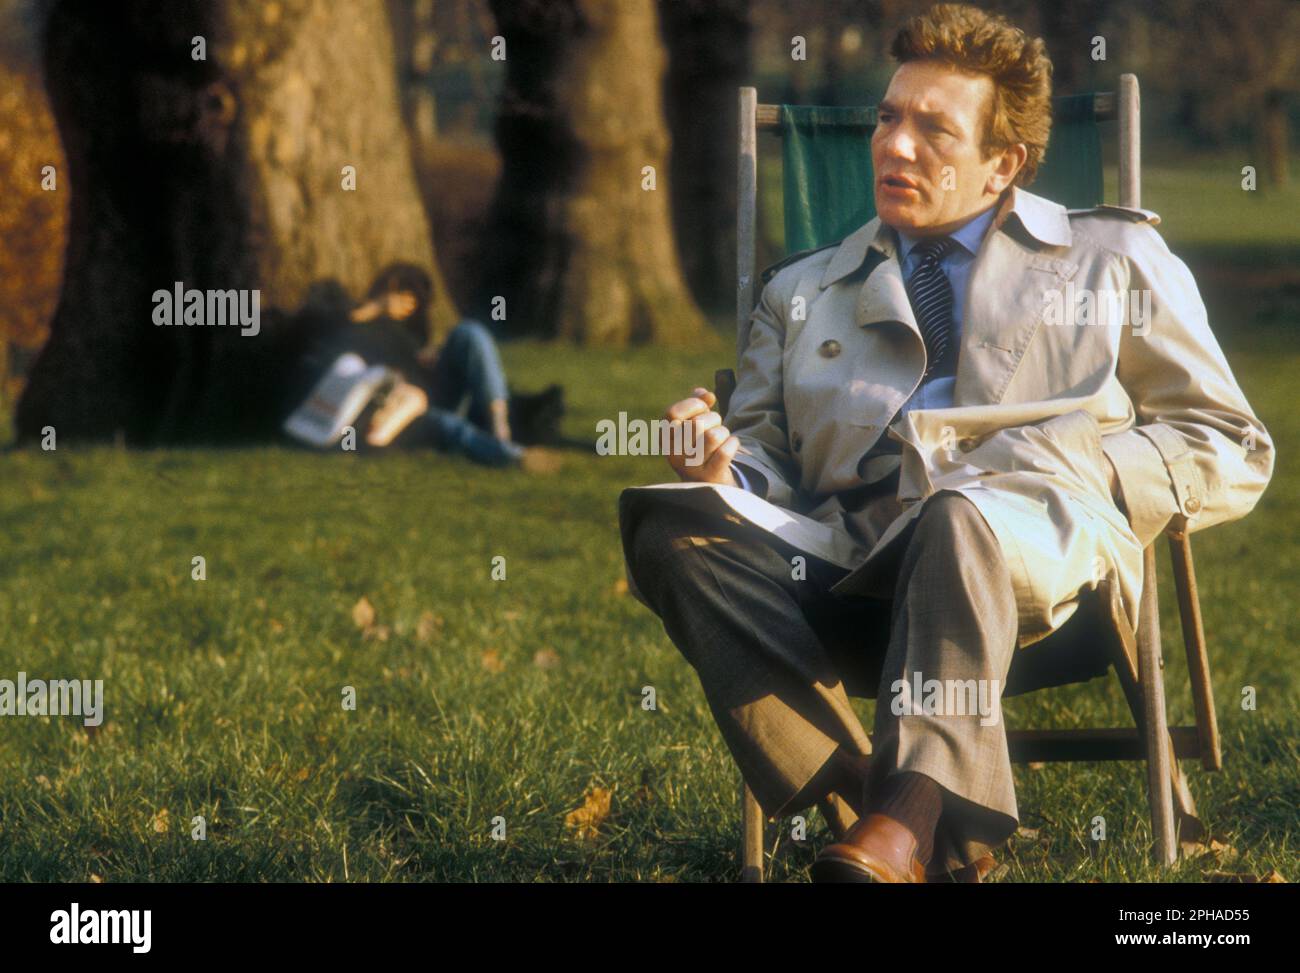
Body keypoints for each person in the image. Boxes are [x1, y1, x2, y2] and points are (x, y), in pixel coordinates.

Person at [618, 3, 1274, 882]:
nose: (896, 146)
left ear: (1003, 163)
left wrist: (1091, 474)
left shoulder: (1110, 259)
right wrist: (722, 468)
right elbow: (767, 458)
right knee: (668, 527)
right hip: (849, 565)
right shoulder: (803, 289)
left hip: (1040, 562)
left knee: (958, 515)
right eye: (891, 118)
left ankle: (907, 819)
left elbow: (1229, 439)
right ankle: (894, 814)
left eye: (934, 130)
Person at [291, 263, 564, 473]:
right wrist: (375, 308)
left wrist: (426, 356)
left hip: (427, 389)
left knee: (470, 332)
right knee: (449, 425)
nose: (405, 306)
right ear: (386, 290)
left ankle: (499, 425)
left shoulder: (408, 329)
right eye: (400, 296)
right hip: (395, 409)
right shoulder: (352, 322)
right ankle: (511, 455)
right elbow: (325, 329)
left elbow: (415, 354)